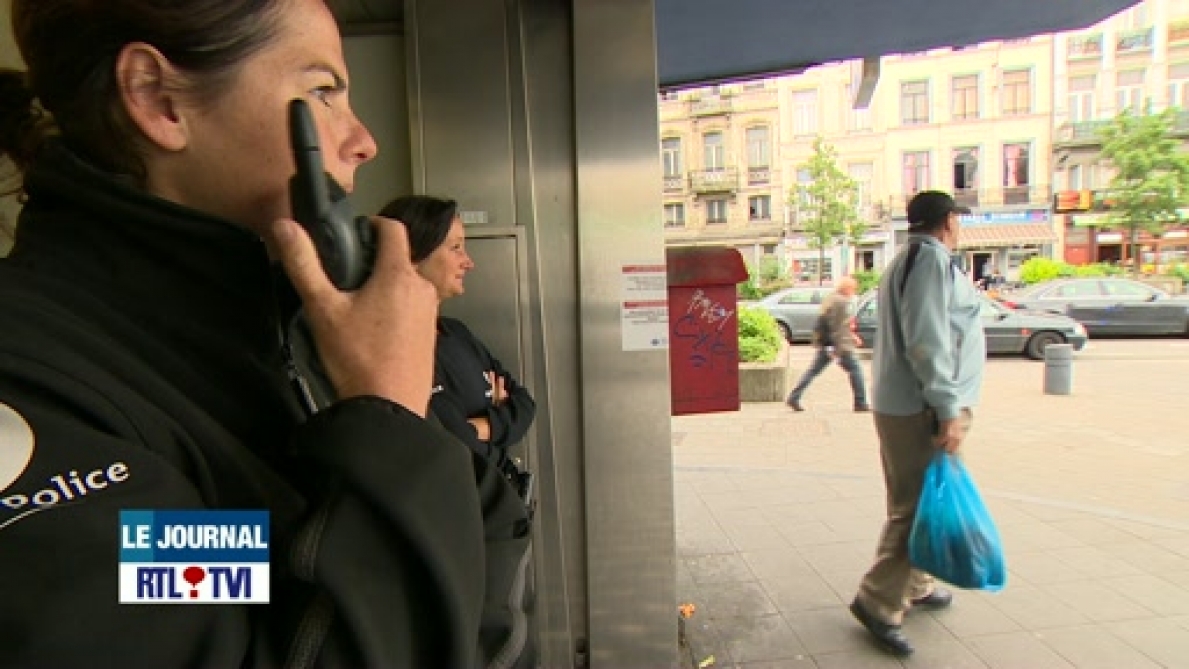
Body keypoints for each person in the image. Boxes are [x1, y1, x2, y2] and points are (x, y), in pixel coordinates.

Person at [0, 1, 494, 666]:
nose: (363, 139)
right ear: (158, 99)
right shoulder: (34, 382)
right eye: (322, 91)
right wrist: (389, 418)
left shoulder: (271, 319)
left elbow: (257, 563)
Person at [379, 194, 538, 668]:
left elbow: (524, 405)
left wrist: (488, 424)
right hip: (461, 532)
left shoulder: (458, 334)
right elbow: (447, 442)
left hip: (505, 514)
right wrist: (490, 416)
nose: (468, 261)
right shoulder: (389, 345)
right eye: (455, 248)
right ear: (413, 253)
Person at [848, 190, 987, 657]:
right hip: (921, 406)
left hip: (902, 402)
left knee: (912, 499)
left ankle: (918, 583)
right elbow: (928, 342)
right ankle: (878, 600)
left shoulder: (905, 260)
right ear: (948, 221)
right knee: (918, 508)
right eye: (958, 220)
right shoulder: (930, 263)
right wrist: (947, 409)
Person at [785, 276, 869, 412]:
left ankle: (794, 397)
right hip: (838, 345)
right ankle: (860, 402)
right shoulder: (841, 302)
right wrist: (837, 346)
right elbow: (837, 326)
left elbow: (833, 324)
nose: (854, 291)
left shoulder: (831, 298)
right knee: (856, 370)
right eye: (853, 288)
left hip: (828, 343)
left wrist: (852, 337)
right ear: (847, 288)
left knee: (813, 371)